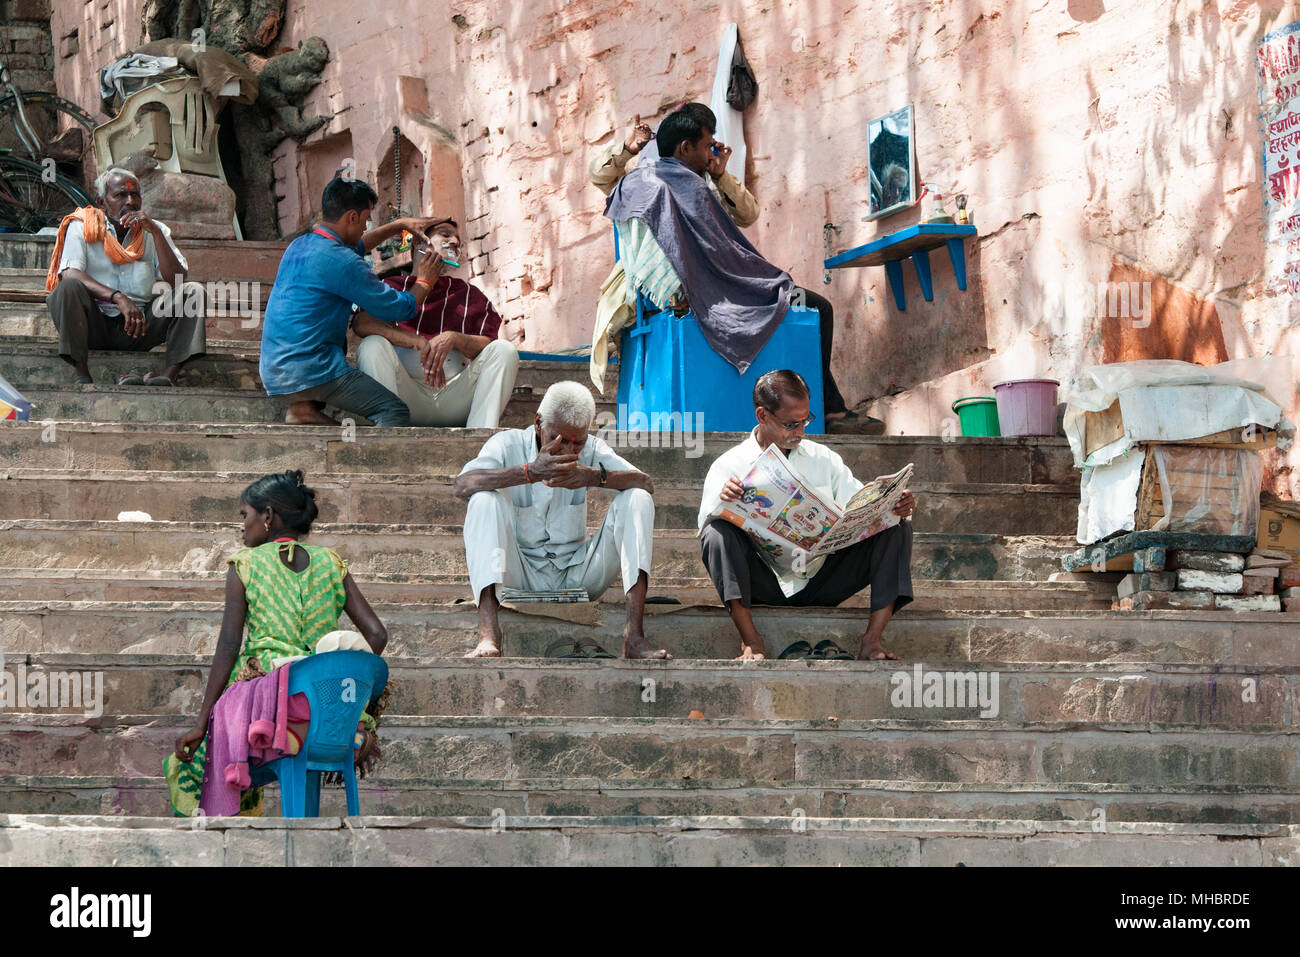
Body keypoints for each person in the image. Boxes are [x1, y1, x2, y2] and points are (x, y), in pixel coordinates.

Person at [596, 104, 864, 429]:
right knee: (813, 305)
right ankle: (831, 409)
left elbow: (748, 214)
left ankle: (827, 406)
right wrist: (627, 148)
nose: (712, 149)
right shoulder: (646, 180)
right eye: (708, 143)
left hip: (731, 283)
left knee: (812, 306)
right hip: (713, 290)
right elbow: (601, 175)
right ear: (685, 147)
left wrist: (720, 176)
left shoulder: (704, 184)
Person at [165, 470, 390, 816]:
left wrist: (200, 722)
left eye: (245, 515)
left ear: (267, 516)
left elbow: (228, 647)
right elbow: (377, 636)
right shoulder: (331, 564)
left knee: (194, 760)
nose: (242, 525)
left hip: (269, 716)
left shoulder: (246, 564)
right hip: (332, 715)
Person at [697, 370, 916, 661]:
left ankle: (872, 641)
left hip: (822, 578)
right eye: (790, 424)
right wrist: (725, 501)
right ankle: (752, 641)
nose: (800, 432)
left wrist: (895, 507)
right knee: (716, 532)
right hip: (765, 582)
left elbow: (861, 504)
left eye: (805, 421)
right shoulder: (730, 465)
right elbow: (707, 534)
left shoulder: (823, 458)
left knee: (896, 528)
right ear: (762, 415)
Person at [454, 381, 669, 660]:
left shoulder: (591, 448)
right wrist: (528, 472)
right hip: (518, 573)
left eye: (577, 442)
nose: (569, 449)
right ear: (538, 423)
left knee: (638, 498)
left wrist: (594, 476)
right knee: (483, 500)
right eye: (559, 439)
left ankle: (634, 637)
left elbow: (645, 482)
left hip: (578, 573)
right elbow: (462, 485)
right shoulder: (506, 444)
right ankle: (489, 635)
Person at [259, 175, 449, 426]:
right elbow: (400, 308)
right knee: (392, 411)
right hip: (312, 370)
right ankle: (375, 462)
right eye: (366, 219)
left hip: (275, 371)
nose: (365, 228)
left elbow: (355, 245)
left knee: (353, 426)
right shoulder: (343, 262)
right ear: (351, 217)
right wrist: (425, 280)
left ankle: (304, 413)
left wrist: (399, 226)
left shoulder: (300, 245)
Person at [43, 167, 205, 386]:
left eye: (135, 194)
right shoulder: (81, 225)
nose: (130, 201)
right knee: (68, 286)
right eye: (120, 195)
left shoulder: (155, 230)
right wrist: (118, 297)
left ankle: (168, 375)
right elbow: (70, 272)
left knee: (193, 292)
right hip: (94, 324)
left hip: (140, 326)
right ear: (102, 202)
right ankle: (82, 374)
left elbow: (176, 278)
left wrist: (155, 233)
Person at [351, 219, 520, 427]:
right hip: (404, 396)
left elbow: (489, 344)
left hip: (454, 397)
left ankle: (481, 439)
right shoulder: (391, 286)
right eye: (445, 235)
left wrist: (454, 338)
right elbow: (361, 323)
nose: (455, 241)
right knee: (371, 345)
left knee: (504, 350)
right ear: (420, 244)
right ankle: (388, 431)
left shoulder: (467, 293)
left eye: (458, 239)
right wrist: (417, 341)